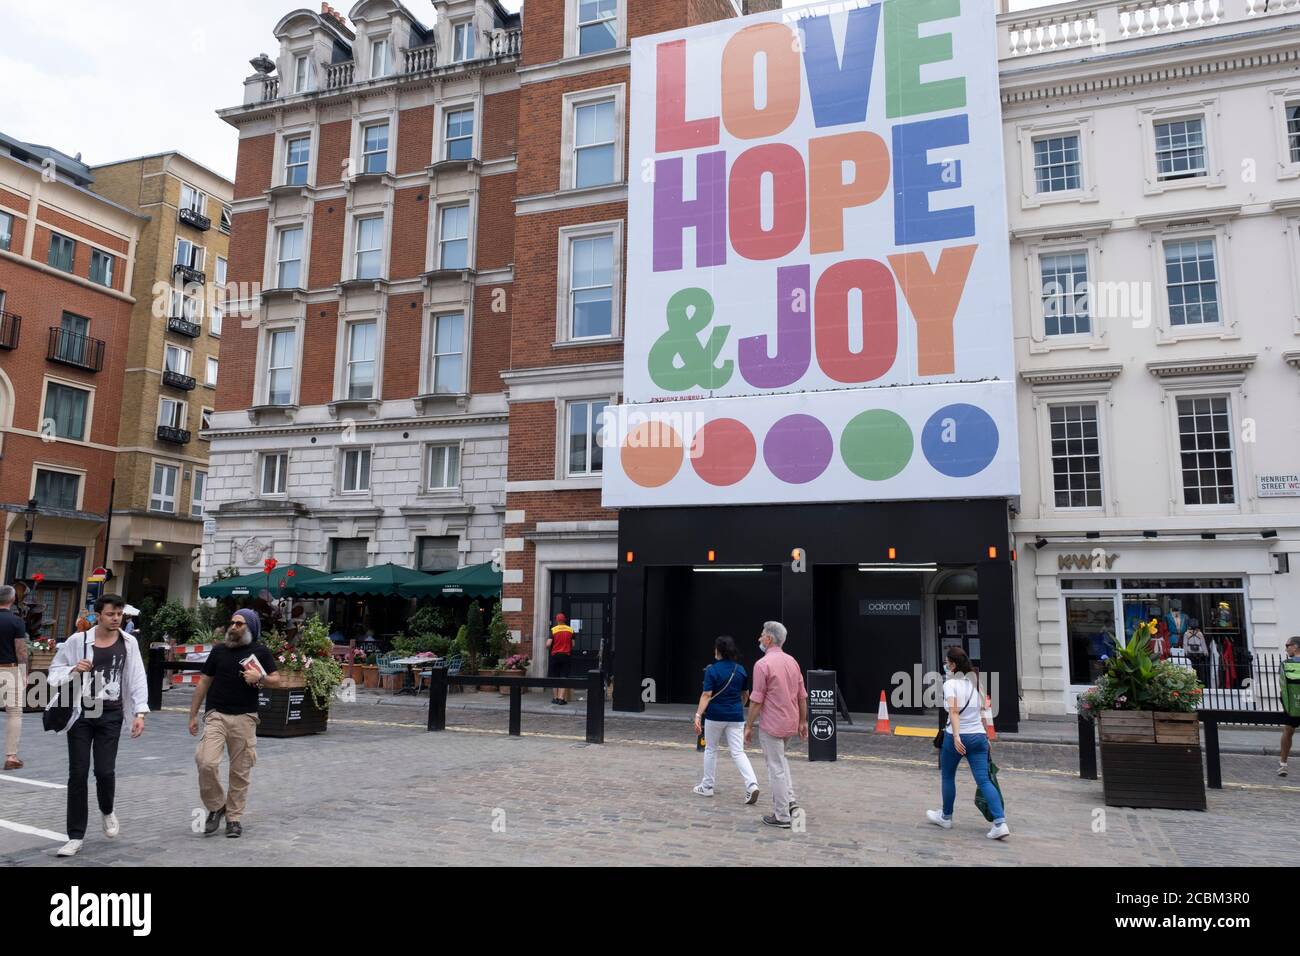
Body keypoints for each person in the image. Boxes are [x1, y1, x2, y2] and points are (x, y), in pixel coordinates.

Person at [46, 594, 149, 858]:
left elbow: (137, 676)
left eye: (119, 614)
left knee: (104, 771)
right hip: (80, 714)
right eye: (110, 614)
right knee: (78, 774)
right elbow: (53, 672)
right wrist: (73, 669)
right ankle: (75, 836)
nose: (116, 619)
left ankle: (107, 809)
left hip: (111, 713)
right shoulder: (77, 641)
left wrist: (140, 712)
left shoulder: (129, 643)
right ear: (98, 615)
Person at [189, 608, 280, 838]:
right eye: (232, 622)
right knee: (205, 761)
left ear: (251, 627)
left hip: (245, 718)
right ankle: (217, 806)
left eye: (239, 624)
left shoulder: (259, 651)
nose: (233, 627)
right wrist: (192, 715)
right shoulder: (219, 650)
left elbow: (277, 680)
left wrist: (260, 678)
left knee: (240, 771)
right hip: (216, 715)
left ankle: (234, 819)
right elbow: (203, 682)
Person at [926, 646, 1009, 840]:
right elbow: (982, 712)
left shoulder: (950, 685)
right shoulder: (976, 683)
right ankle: (1000, 823)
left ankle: (946, 817)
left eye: (947, 663)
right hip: (978, 737)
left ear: (953, 665)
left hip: (957, 737)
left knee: (948, 776)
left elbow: (954, 712)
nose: (946, 666)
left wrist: (956, 736)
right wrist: (986, 737)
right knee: (984, 780)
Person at [744, 621, 808, 829]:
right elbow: (802, 696)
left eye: (762, 635)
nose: (759, 638)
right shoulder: (792, 661)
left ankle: (781, 816)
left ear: (769, 639)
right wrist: (803, 721)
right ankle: (790, 801)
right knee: (781, 762)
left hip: (772, 723)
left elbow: (757, 700)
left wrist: (748, 726)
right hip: (790, 720)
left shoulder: (762, 665)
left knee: (775, 768)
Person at [693, 635, 759, 804]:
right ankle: (752, 784)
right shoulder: (741, 670)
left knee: (711, 749)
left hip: (715, 715)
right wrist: (738, 706)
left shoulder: (712, 671)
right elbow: (745, 696)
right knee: (738, 752)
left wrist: (698, 715)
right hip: (735, 716)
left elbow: (706, 695)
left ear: (718, 651)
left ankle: (707, 786)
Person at [0, 586, 27, 770]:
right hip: (8, 670)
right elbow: (21, 651)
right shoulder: (16, 622)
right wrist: (24, 671)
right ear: (12, 599)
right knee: (14, 713)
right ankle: (11, 756)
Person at [1279, 636, 1300, 777]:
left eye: (1288, 645)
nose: (1286, 648)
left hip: (1293, 705)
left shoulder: (1286, 664)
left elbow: (1282, 687)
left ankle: (1283, 764)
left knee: (1288, 731)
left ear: (1296, 646)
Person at [547, 613, 574, 705]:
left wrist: (550, 647)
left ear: (557, 620)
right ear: (564, 620)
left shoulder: (553, 630)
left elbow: (548, 644)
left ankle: (555, 698)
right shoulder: (570, 629)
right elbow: (573, 644)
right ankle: (561, 698)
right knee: (564, 676)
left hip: (555, 655)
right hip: (566, 655)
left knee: (555, 676)